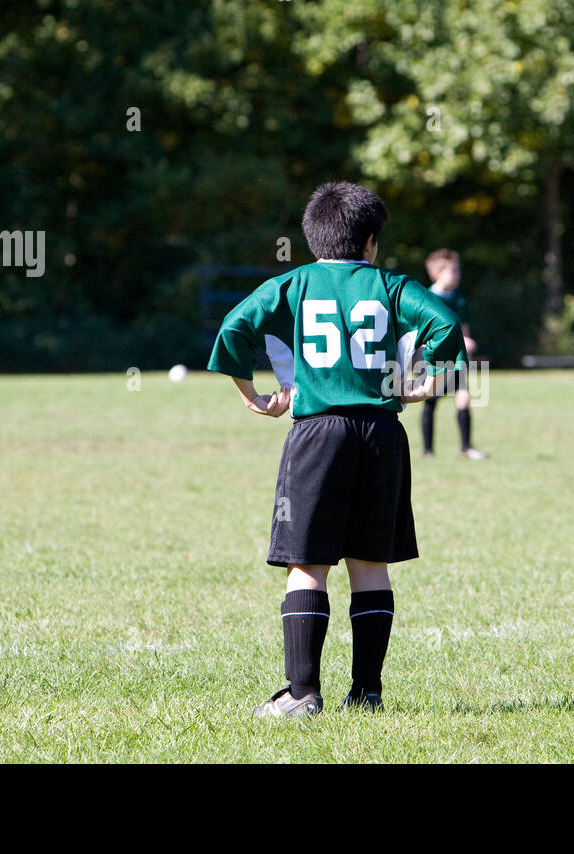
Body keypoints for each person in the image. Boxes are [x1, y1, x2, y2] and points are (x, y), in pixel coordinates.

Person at [207, 181, 467, 715]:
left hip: (318, 433)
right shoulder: (392, 286)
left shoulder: (295, 283)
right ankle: (367, 694)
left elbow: (235, 327)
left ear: (312, 238)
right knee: (371, 565)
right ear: (370, 241)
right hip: (381, 434)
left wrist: (255, 395)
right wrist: (426, 384)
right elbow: (444, 324)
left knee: (307, 564)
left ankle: (302, 695)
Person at [420, 249, 484, 459]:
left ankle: (466, 448)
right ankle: (428, 451)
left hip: (456, 358)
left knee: (463, 397)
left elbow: (463, 329)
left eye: (458, 271)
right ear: (436, 274)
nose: (457, 275)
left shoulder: (459, 299)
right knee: (430, 400)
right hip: (434, 358)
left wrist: (467, 346)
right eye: (452, 271)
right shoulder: (427, 298)